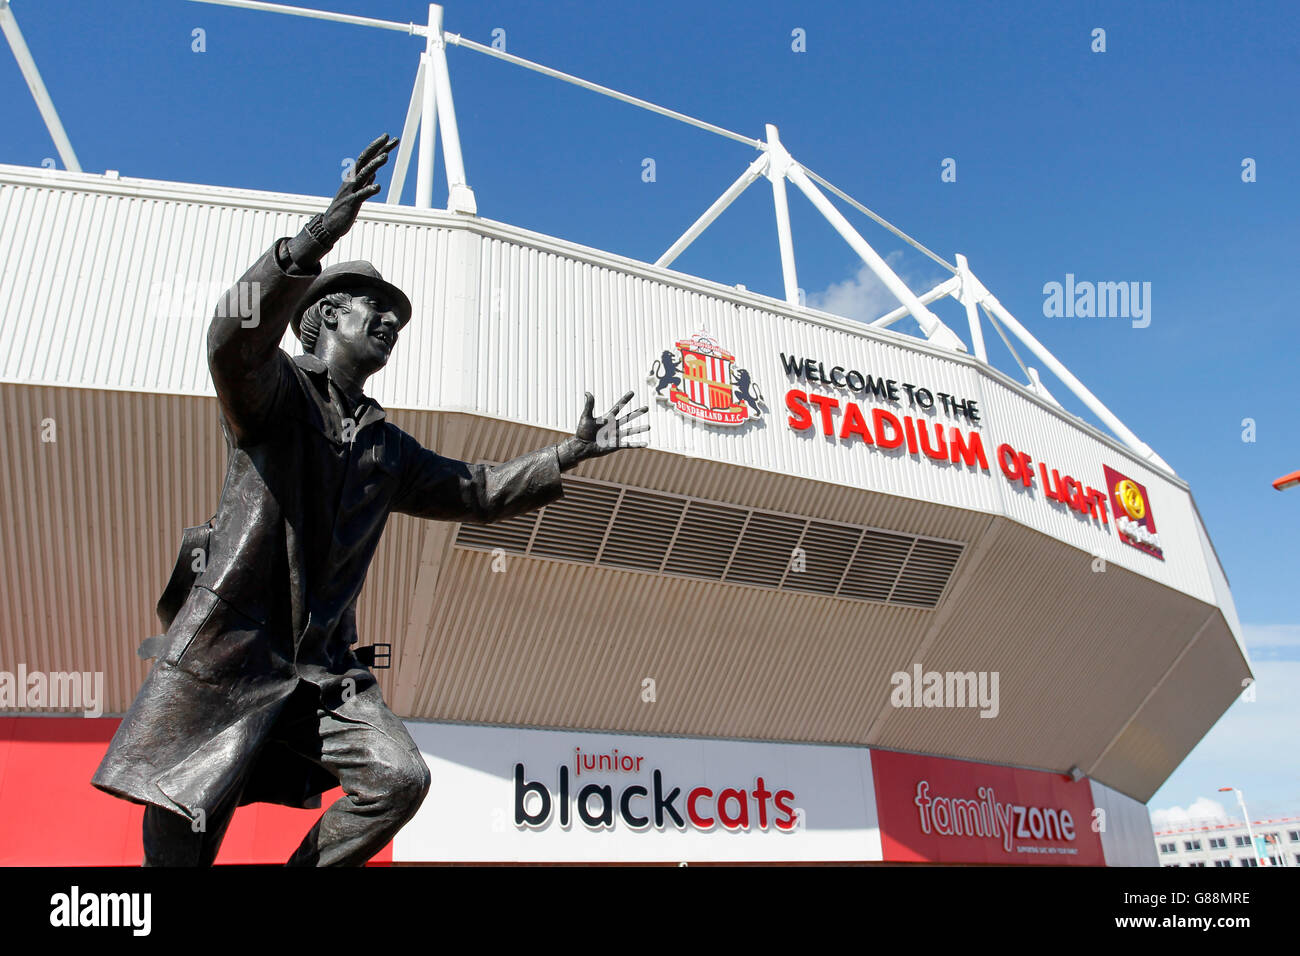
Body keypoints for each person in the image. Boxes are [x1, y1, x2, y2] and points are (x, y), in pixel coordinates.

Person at [92, 134, 649, 865]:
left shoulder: (388, 447)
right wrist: (316, 238)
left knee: (398, 777)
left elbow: (475, 490)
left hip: (323, 676)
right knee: (186, 815)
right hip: (234, 657)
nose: (389, 321)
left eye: (395, 316)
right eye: (371, 307)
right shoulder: (276, 396)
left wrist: (566, 453)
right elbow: (229, 339)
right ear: (322, 317)